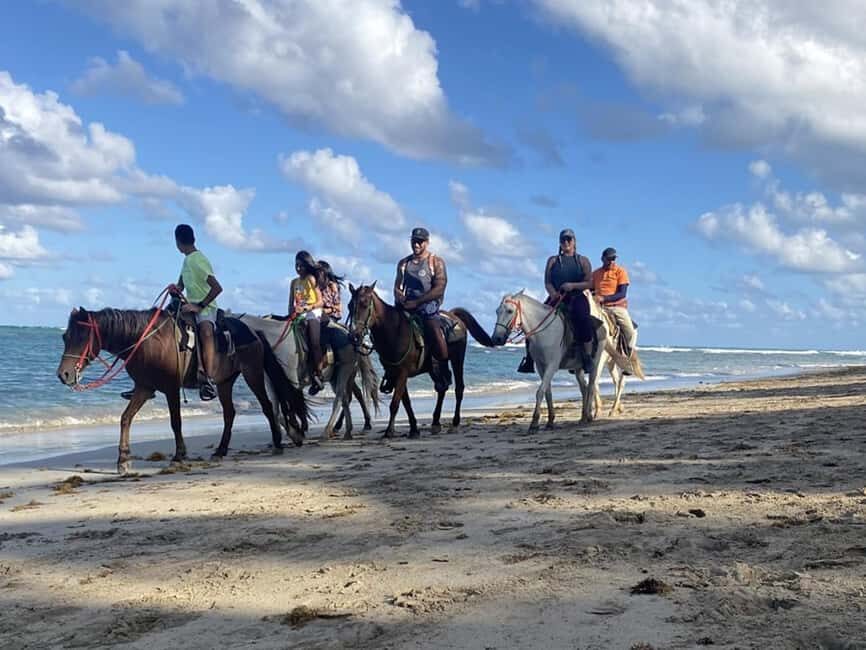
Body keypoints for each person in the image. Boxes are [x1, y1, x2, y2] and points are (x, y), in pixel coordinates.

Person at [517, 228, 594, 374]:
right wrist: (553, 293)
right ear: (559, 242)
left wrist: (572, 286)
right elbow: (547, 281)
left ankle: (587, 357)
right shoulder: (552, 261)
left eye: (569, 239)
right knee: (535, 321)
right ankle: (529, 359)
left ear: (574, 241)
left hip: (576, 296)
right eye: (563, 240)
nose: (566, 242)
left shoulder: (583, 261)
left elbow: (589, 283)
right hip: (557, 296)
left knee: (583, 319)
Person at [394, 227, 451, 392]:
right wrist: (401, 298)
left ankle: (443, 368)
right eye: (414, 241)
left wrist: (418, 302)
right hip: (408, 302)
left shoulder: (436, 261)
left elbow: (440, 287)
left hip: (429, 302)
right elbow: (397, 286)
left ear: (427, 242)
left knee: (433, 327)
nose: (416, 244)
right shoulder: (404, 263)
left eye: (420, 241)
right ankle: (391, 369)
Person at [170, 224, 222, 401]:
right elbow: (181, 286)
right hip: (188, 306)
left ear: (178, 242)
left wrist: (199, 306)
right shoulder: (186, 260)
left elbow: (217, 288)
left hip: (206, 307)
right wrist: (175, 290)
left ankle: (208, 378)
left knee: (206, 332)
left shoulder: (198, 260)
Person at [290, 251, 326, 395]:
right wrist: (291, 314)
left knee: (314, 341)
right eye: (296, 265)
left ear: (307, 266)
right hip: (299, 314)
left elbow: (320, 301)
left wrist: (307, 307)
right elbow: (290, 303)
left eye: (301, 266)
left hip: (313, 312)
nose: (298, 269)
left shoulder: (311, 279)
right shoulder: (294, 282)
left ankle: (318, 373)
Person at [592, 247, 636, 358]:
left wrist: (604, 298)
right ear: (603, 259)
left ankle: (628, 358)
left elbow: (622, 293)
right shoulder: (596, 273)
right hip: (598, 307)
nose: (612, 261)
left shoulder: (620, 271)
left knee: (631, 332)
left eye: (613, 259)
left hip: (616, 307)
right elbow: (591, 289)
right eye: (609, 259)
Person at [318, 260, 344, 325]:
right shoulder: (315, 288)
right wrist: (332, 309)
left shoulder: (332, 287)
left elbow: (339, 308)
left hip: (331, 319)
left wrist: (329, 310)